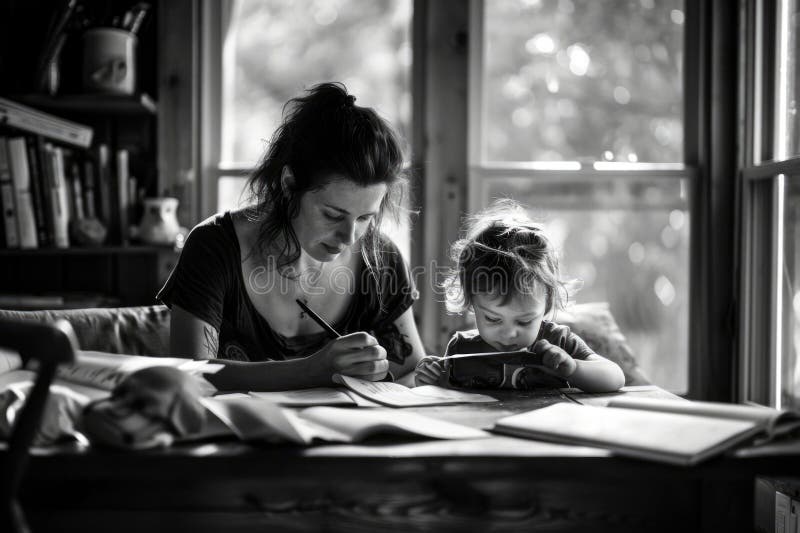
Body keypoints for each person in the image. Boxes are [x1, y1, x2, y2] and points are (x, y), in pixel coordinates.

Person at [157, 82, 426, 390]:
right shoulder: (214, 247)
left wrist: (386, 378)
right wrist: (312, 370)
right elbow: (189, 373)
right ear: (288, 183)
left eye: (366, 218)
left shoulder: (380, 260)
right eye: (333, 215)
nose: (349, 236)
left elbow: (413, 373)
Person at [415, 200, 625, 393]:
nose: (508, 333)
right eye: (493, 319)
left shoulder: (557, 342)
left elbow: (615, 378)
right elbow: (446, 399)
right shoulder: (461, 349)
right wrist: (434, 382)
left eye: (524, 321)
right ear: (472, 302)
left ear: (547, 304)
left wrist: (573, 368)